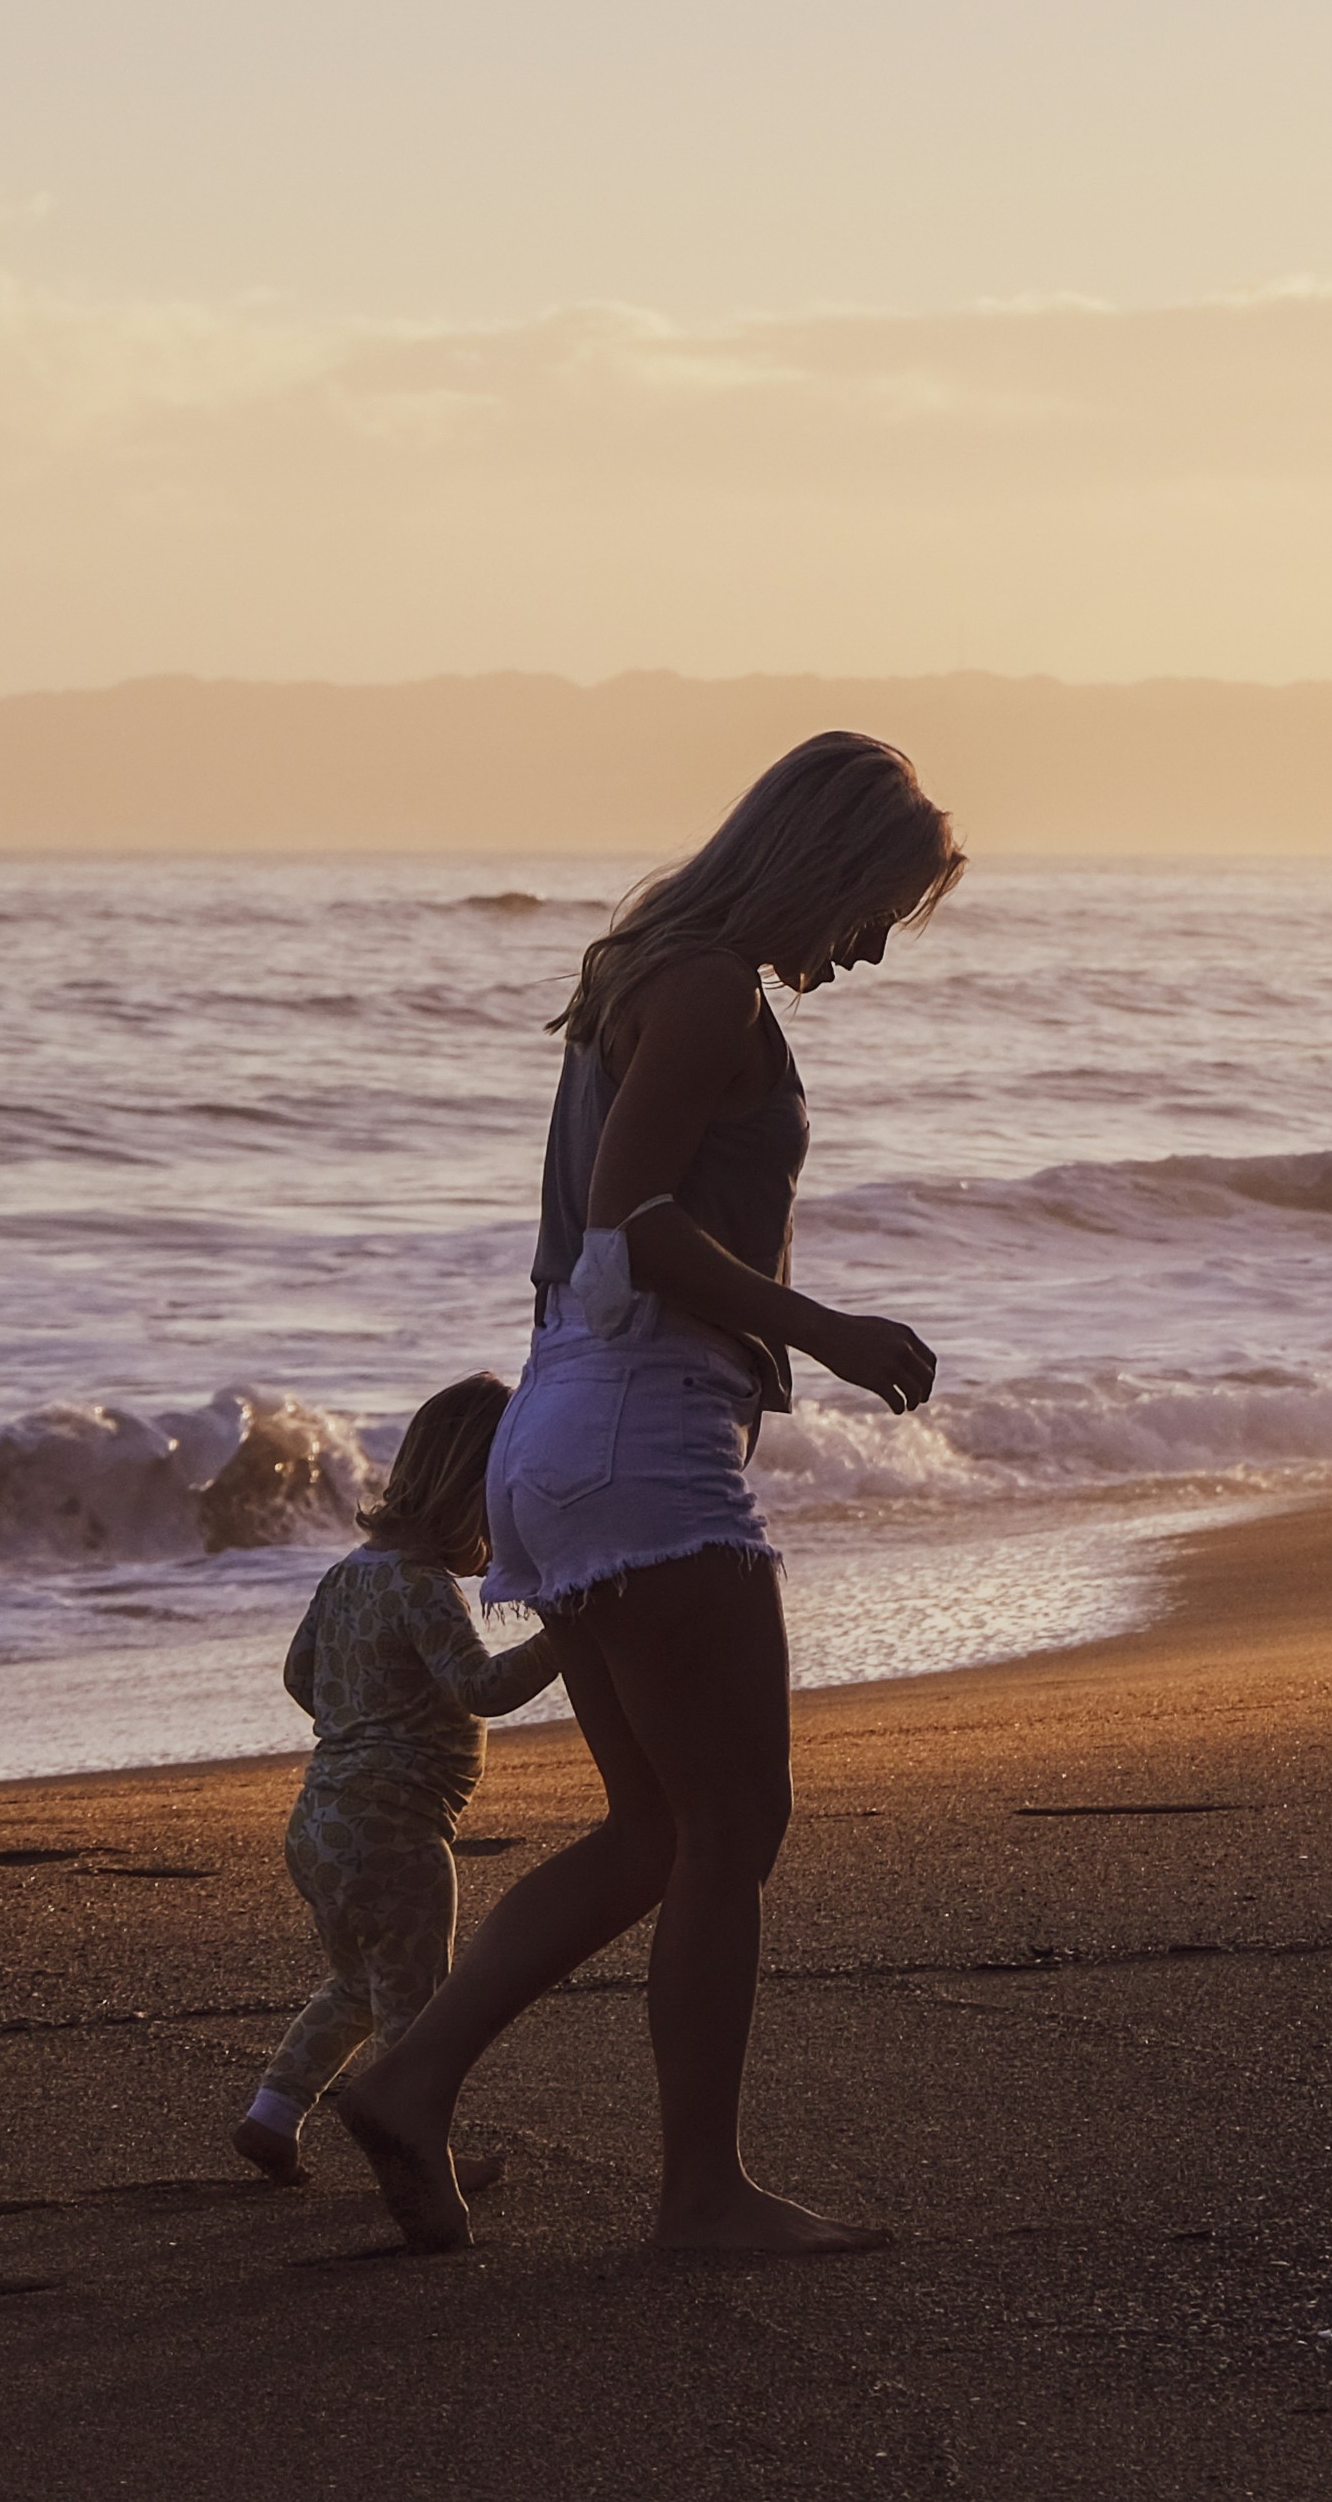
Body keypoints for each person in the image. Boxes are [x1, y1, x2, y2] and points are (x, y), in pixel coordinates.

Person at [328, 732, 961, 2255]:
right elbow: (629, 1218)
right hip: (639, 1432)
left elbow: (592, 1238)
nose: (868, 947)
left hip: (565, 1424)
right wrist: (833, 1331)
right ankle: (699, 2193)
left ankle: (411, 2079)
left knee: (654, 1830)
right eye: (873, 904)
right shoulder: (705, 988)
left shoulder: (647, 971)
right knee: (733, 1824)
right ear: (819, 862)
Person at [232, 1371, 565, 2185]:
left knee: (359, 1984)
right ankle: (419, 2156)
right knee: (417, 2007)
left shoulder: (350, 1572)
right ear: (469, 1490)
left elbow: (299, 1675)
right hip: (396, 1829)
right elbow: (481, 1688)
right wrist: (568, 1631)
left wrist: (363, 1710)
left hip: (320, 1821)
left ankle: (272, 2116)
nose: (498, 1541)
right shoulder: (422, 1584)